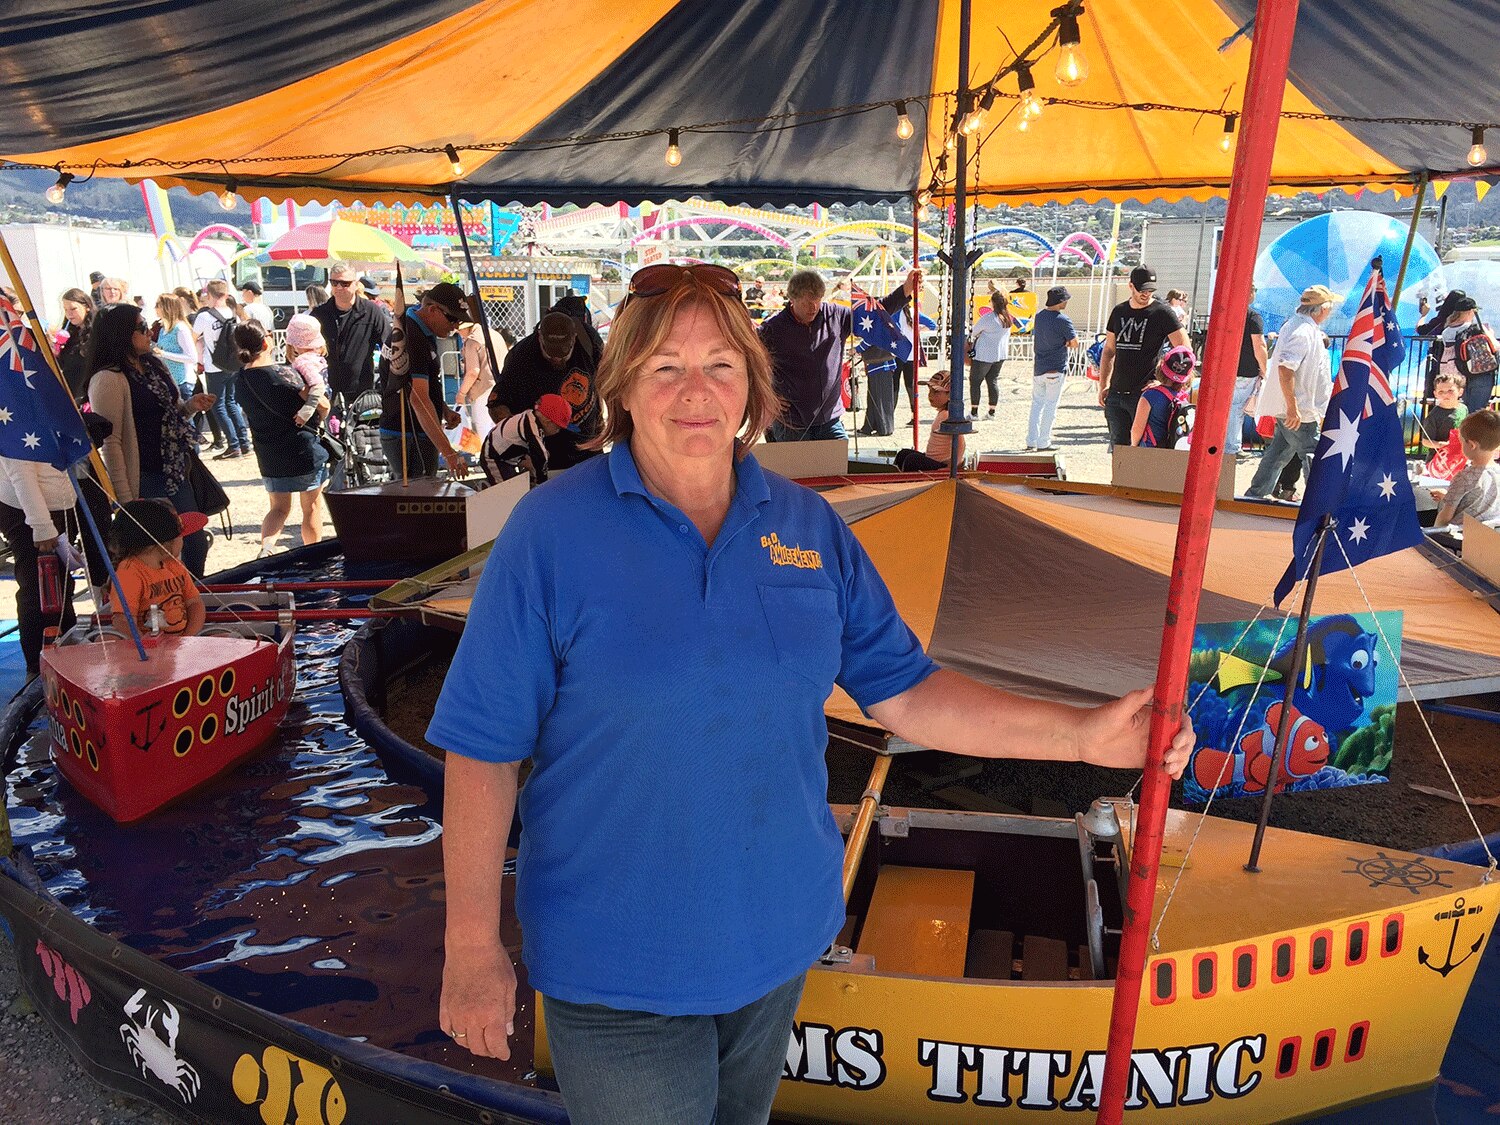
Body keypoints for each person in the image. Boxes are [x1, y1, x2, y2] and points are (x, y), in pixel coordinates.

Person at [426, 263, 1194, 1125]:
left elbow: (908, 693)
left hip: (776, 938)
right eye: (665, 367)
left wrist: (1085, 736)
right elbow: (483, 747)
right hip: (617, 966)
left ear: (753, 386)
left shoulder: (806, 527)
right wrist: (471, 945)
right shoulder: (550, 531)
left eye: (721, 364)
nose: (695, 392)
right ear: (623, 385)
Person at [87, 303, 217, 576]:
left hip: (173, 469)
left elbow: (174, 410)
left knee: (193, 540)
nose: (151, 333)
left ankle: (190, 591)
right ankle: (168, 598)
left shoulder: (155, 365)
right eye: (144, 328)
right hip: (143, 475)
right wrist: (125, 500)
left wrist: (192, 405)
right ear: (123, 334)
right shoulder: (108, 378)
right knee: (156, 549)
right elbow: (111, 442)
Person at [759, 267, 919, 441]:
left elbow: (876, 313)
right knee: (797, 469)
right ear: (792, 299)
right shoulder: (773, 328)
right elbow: (749, 363)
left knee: (840, 466)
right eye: (806, 303)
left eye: (817, 301)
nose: (813, 308)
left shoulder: (836, 315)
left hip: (830, 419)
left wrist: (906, 289)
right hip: (791, 422)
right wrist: (765, 395)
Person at [232, 321, 331, 554]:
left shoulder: (240, 380)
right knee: (311, 509)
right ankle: (312, 554)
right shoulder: (285, 374)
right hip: (302, 449)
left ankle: (266, 550)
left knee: (278, 509)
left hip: (268, 451)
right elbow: (322, 404)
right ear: (267, 342)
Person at [1246, 285, 1338, 500]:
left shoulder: (1300, 327)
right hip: (1300, 408)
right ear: (1322, 309)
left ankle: (1256, 493)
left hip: (1296, 406)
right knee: (1312, 451)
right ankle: (1320, 501)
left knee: (1280, 451)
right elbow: (1286, 368)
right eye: (1330, 307)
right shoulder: (1302, 331)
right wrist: (1292, 407)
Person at [0, 454, 86, 677]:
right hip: (27, 509)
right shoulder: (19, 418)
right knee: (36, 590)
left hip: (61, 505)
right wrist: (41, 524)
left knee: (63, 586)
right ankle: (37, 669)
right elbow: (19, 469)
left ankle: (67, 658)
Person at [377, 281, 467, 478]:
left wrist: (443, 408)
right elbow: (418, 399)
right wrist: (449, 452)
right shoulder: (411, 336)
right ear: (433, 309)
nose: (456, 326)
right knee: (419, 495)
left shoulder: (424, 331)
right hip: (406, 432)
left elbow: (424, 381)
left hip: (417, 430)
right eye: (452, 319)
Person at [489, 311, 600, 470]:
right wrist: (520, 445)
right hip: (545, 456)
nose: (556, 359)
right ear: (540, 337)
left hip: (588, 449)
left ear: (573, 339)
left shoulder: (587, 340)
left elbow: (608, 381)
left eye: (563, 354)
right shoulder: (520, 357)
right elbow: (497, 404)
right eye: (550, 353)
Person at [1097, 266, 1190, 448]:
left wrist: (1166, 382)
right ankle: (1120, 478)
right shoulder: (1119, 311)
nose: (1146, 294)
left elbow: (1185, 350)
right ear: (1130, 286)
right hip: (1116, 393)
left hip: (1145, 395)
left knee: (1143, 449)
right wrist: (1103, 384)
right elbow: (1109, 350)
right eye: (1142, 290)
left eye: (1150, 290)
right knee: (1118, 450)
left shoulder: (1162, 312)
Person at [106, 498, 206, 636]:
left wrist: (188, 637)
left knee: (227, 637)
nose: (182, 540)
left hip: (183, 642)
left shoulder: (175, 565)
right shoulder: (129, 572)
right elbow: (123, 620)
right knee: (106, 638)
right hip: (149, 648)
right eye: (179, 536)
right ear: (162, 542)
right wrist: (147, 647)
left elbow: (195, 603)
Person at [310, 261, 392, 403]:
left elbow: (389, 344)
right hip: (326, 389)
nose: (339, 287)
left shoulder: (371, 311)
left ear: (355, 284)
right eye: (334, 283)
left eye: (345, 283)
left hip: (361, 390)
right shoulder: (319, 313)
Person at [194, 279, 252, 460]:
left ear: (209, 295)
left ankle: (233, 444)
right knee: (231, 402)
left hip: (215, 365)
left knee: (218, 405)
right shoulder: (233, 312)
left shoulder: (204, 316)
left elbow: (194, 336)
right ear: (226, 295)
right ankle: (244, 443)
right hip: (233, 364)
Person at [477, 392, 570, 486]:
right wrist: (543, 483)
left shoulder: (530, 417)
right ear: (548, 421)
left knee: (515, 483)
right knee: (506, 489)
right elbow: (541, 456)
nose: (558, 432)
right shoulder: (531, 425)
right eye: (558, 428)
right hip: (494, 457)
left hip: (506, 457)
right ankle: (490, 491)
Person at [1431, 410, 1500, 535]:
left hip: (1459, 539)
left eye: (1462, 442)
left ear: (1471, 445)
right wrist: (1448, 497)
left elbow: (1445, 517)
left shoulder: (1464, 478)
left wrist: (1433, 536)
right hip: (1489, 537)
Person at [1027, 285, 1078, 451]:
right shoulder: (1063, 320)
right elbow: (1074, 343)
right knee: (1050, 406)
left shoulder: (1039, 316)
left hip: (1039, 367)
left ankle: (1031, 440)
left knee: (1036, 405)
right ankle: (1044, 441)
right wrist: (1065, 342)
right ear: (1060, 301)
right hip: (1055, 367)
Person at [1435, 295, 1498, 414]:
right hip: (1480, 373)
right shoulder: (1479, 328)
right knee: (1476, 413)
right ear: (1471, 311)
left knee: (1460, 411)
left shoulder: (1446, 331)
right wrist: (1490, 334)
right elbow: (1495, 346)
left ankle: (1459, 432)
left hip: (1458, 375)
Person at [894, 370, 963, 472]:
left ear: (950, 395)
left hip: (941, 464)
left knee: (912, 460)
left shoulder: (947, 416)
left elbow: (960, 442)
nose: (930, 395)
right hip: (933, 459)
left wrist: (952, 467)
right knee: (903, 454)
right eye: (930, 391)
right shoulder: (943, 413)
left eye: (936, 392)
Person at [1225, 297, 1267, 459]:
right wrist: (1264, 370)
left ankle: (1228, 445)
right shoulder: (1252, 317)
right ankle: (1232, 447)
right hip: (1245, 370)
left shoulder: (1226, 314)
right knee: (1237, 409)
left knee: (1229, 408)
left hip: (1226, 368)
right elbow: (1259, 345)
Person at [1131, 345, 1196, 448]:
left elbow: (1137, 428)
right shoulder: (1184, 397)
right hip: (1174, 449)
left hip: (1150, 448)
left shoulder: (1149, 395)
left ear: (1161, 367)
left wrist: (1133, 446)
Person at [967, 293, 1014, 419]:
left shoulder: (988, 318)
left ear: (993, 302)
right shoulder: (1008, 318)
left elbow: (975, 331)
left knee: (975, 381)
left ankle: (974, 412)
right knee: (992, 381)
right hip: (1000, 354)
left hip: (984, 355)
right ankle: (991, 412)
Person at [282, 314, 330, 426]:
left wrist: (305, 412)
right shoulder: (318, 358)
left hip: (308, 412)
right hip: (320, 407)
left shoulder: (303, 362)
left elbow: (318, 386)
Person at [152, 293, 197, 401]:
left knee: (185, 415)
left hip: (183, 381)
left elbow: (192, 357)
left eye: (158, 305)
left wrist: (164, 354)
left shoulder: (180, 328)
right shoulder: (163, 329)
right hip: (171, 380)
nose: (155, 308)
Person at [56, 288, 95, 401]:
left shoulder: (97, 332)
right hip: (71, 394)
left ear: (87, 307)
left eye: (73, 309)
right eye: (66, 310)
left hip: (88, 394)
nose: (69, 314)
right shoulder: (69, 334)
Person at [1422, 373, 1468, 450]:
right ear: (1435, 394)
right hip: (1439, 458)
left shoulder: (1463, 408)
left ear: (1460, 392)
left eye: (1450, 391)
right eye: (1441, 391)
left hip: (1459, 456)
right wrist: (1440, 445)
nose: (1445, 394)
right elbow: (1425, 441)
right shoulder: (1434, 416)